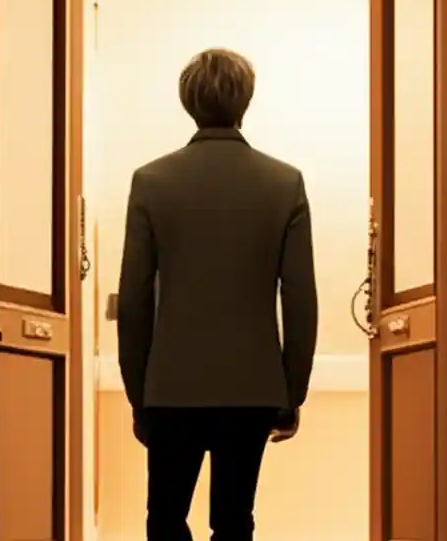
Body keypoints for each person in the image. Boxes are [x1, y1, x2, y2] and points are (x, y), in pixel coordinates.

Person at [117, 47, 319, 541]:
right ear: (245, 100)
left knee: (164, 519)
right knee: (233, 520)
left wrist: (138, 393)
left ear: (188, 101)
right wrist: (291, 392)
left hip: (170, 386)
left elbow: (134, 299)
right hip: (252, 386)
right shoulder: (283, 183)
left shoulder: (152, 181)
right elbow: (299, 298)